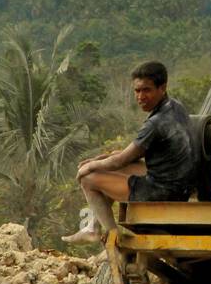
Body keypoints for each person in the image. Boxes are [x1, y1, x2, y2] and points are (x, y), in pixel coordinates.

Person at [63, 61, 196, 245]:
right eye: (137, 91)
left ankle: (112, 239)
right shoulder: (175, 107)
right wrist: (101, 158)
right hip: (179, 184)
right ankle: (92, 226)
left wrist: (89, 166)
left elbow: (120, 161)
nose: (140, 96)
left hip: (162, 191)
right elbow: (129, 154)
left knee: (89, 179)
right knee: (110, 168)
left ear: (162, 87)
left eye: (146, 90)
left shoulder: (155, 123)